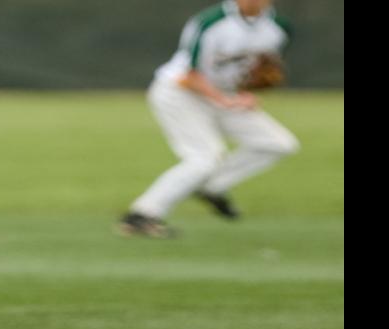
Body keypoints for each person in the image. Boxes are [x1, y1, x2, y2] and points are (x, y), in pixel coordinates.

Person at [119, 0, 299, 238]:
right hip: (179, 94)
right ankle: (141, 215)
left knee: (278, 144)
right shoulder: (211, 22)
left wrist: (246, 95)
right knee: (204, 159)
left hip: (224, 95)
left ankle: (211, 186)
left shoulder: (278, 27)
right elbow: (188, 75)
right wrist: (223, 100)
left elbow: (258, 70)